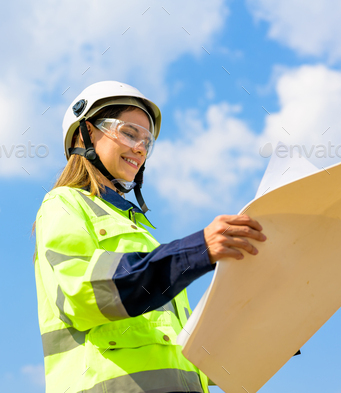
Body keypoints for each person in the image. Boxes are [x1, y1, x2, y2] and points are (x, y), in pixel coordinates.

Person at [33, 81, 267, 393]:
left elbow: (189, 357)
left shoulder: (144, 236)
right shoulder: (63, 204)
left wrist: (273, 327)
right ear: (85, 133)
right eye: (129, 133)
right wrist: (195, 252)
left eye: (147, 141)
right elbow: (84, 294)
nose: (141, 148)